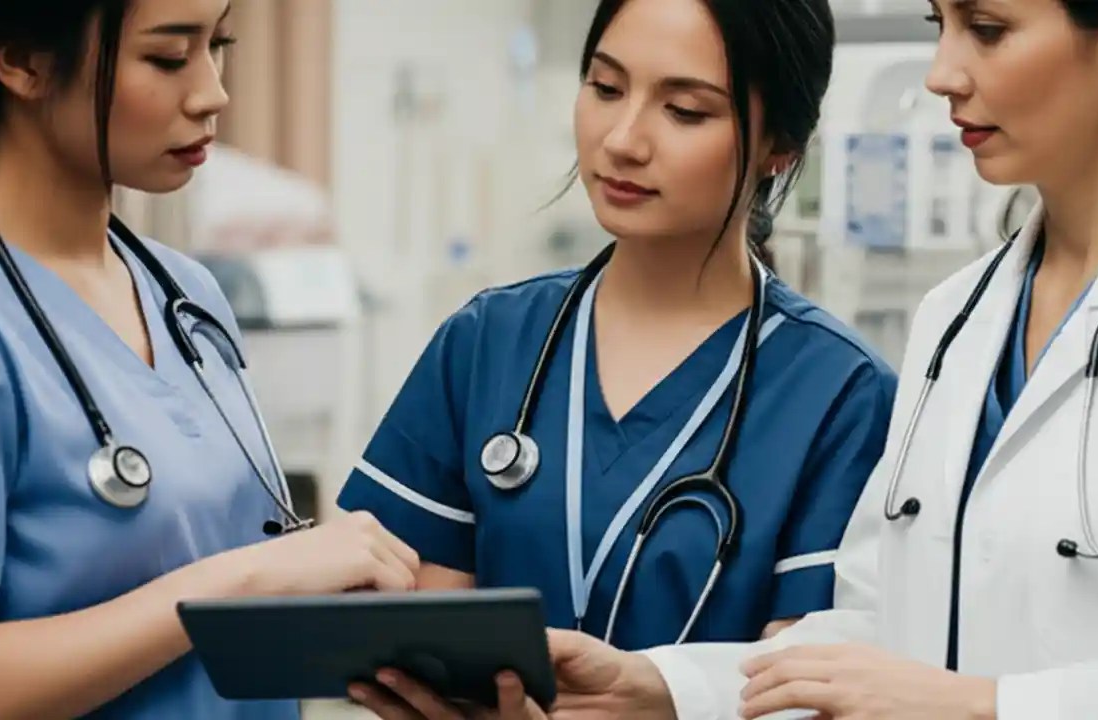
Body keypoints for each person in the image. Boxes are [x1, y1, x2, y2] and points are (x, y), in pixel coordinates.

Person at [379, 0, 1098, 718]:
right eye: (941, 25)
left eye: (989, 29)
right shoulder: (957, 322)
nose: (941, 73)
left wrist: (987, 707)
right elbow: (867, 629)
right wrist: (665, 689)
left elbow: (928, 690)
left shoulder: (840, 385)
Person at [340, 0, 898, 715]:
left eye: (685, 111)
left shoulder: (840, 396)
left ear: (780, 145)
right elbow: (412, 633)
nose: (623, 139)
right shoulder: (487, 343)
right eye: (605, 89)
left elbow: (809, 682)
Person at [0, 2, 421, 718]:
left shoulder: (188, 294)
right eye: (169, 58)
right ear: (22, 62)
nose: (213, 92)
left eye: (220, 45)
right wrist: (247, 579)